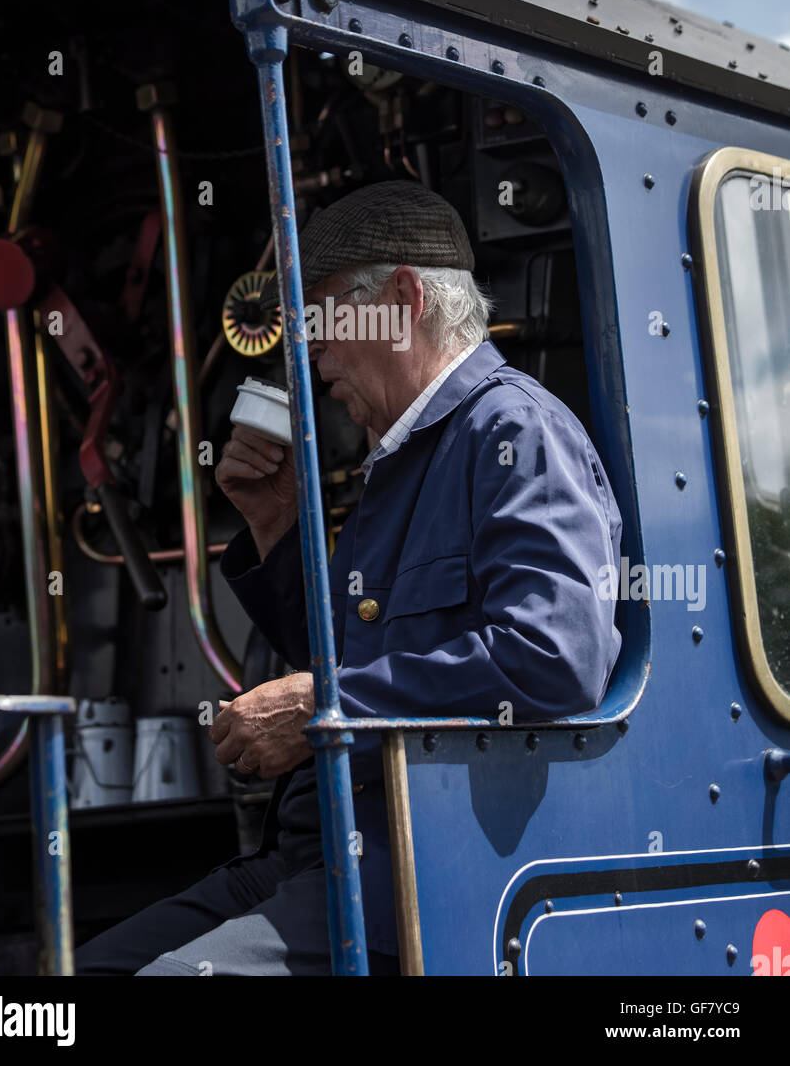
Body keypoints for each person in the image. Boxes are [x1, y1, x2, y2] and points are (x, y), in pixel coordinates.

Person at [75, 180, 622, 976]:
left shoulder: (513, 430)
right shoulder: (398, 458)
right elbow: (338, 657)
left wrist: (322, 708)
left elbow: (555, 660)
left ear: (401, 298)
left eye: (323, 316)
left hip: (422, 876)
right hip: (316, 856)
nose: (310, 350)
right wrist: (277, 525)